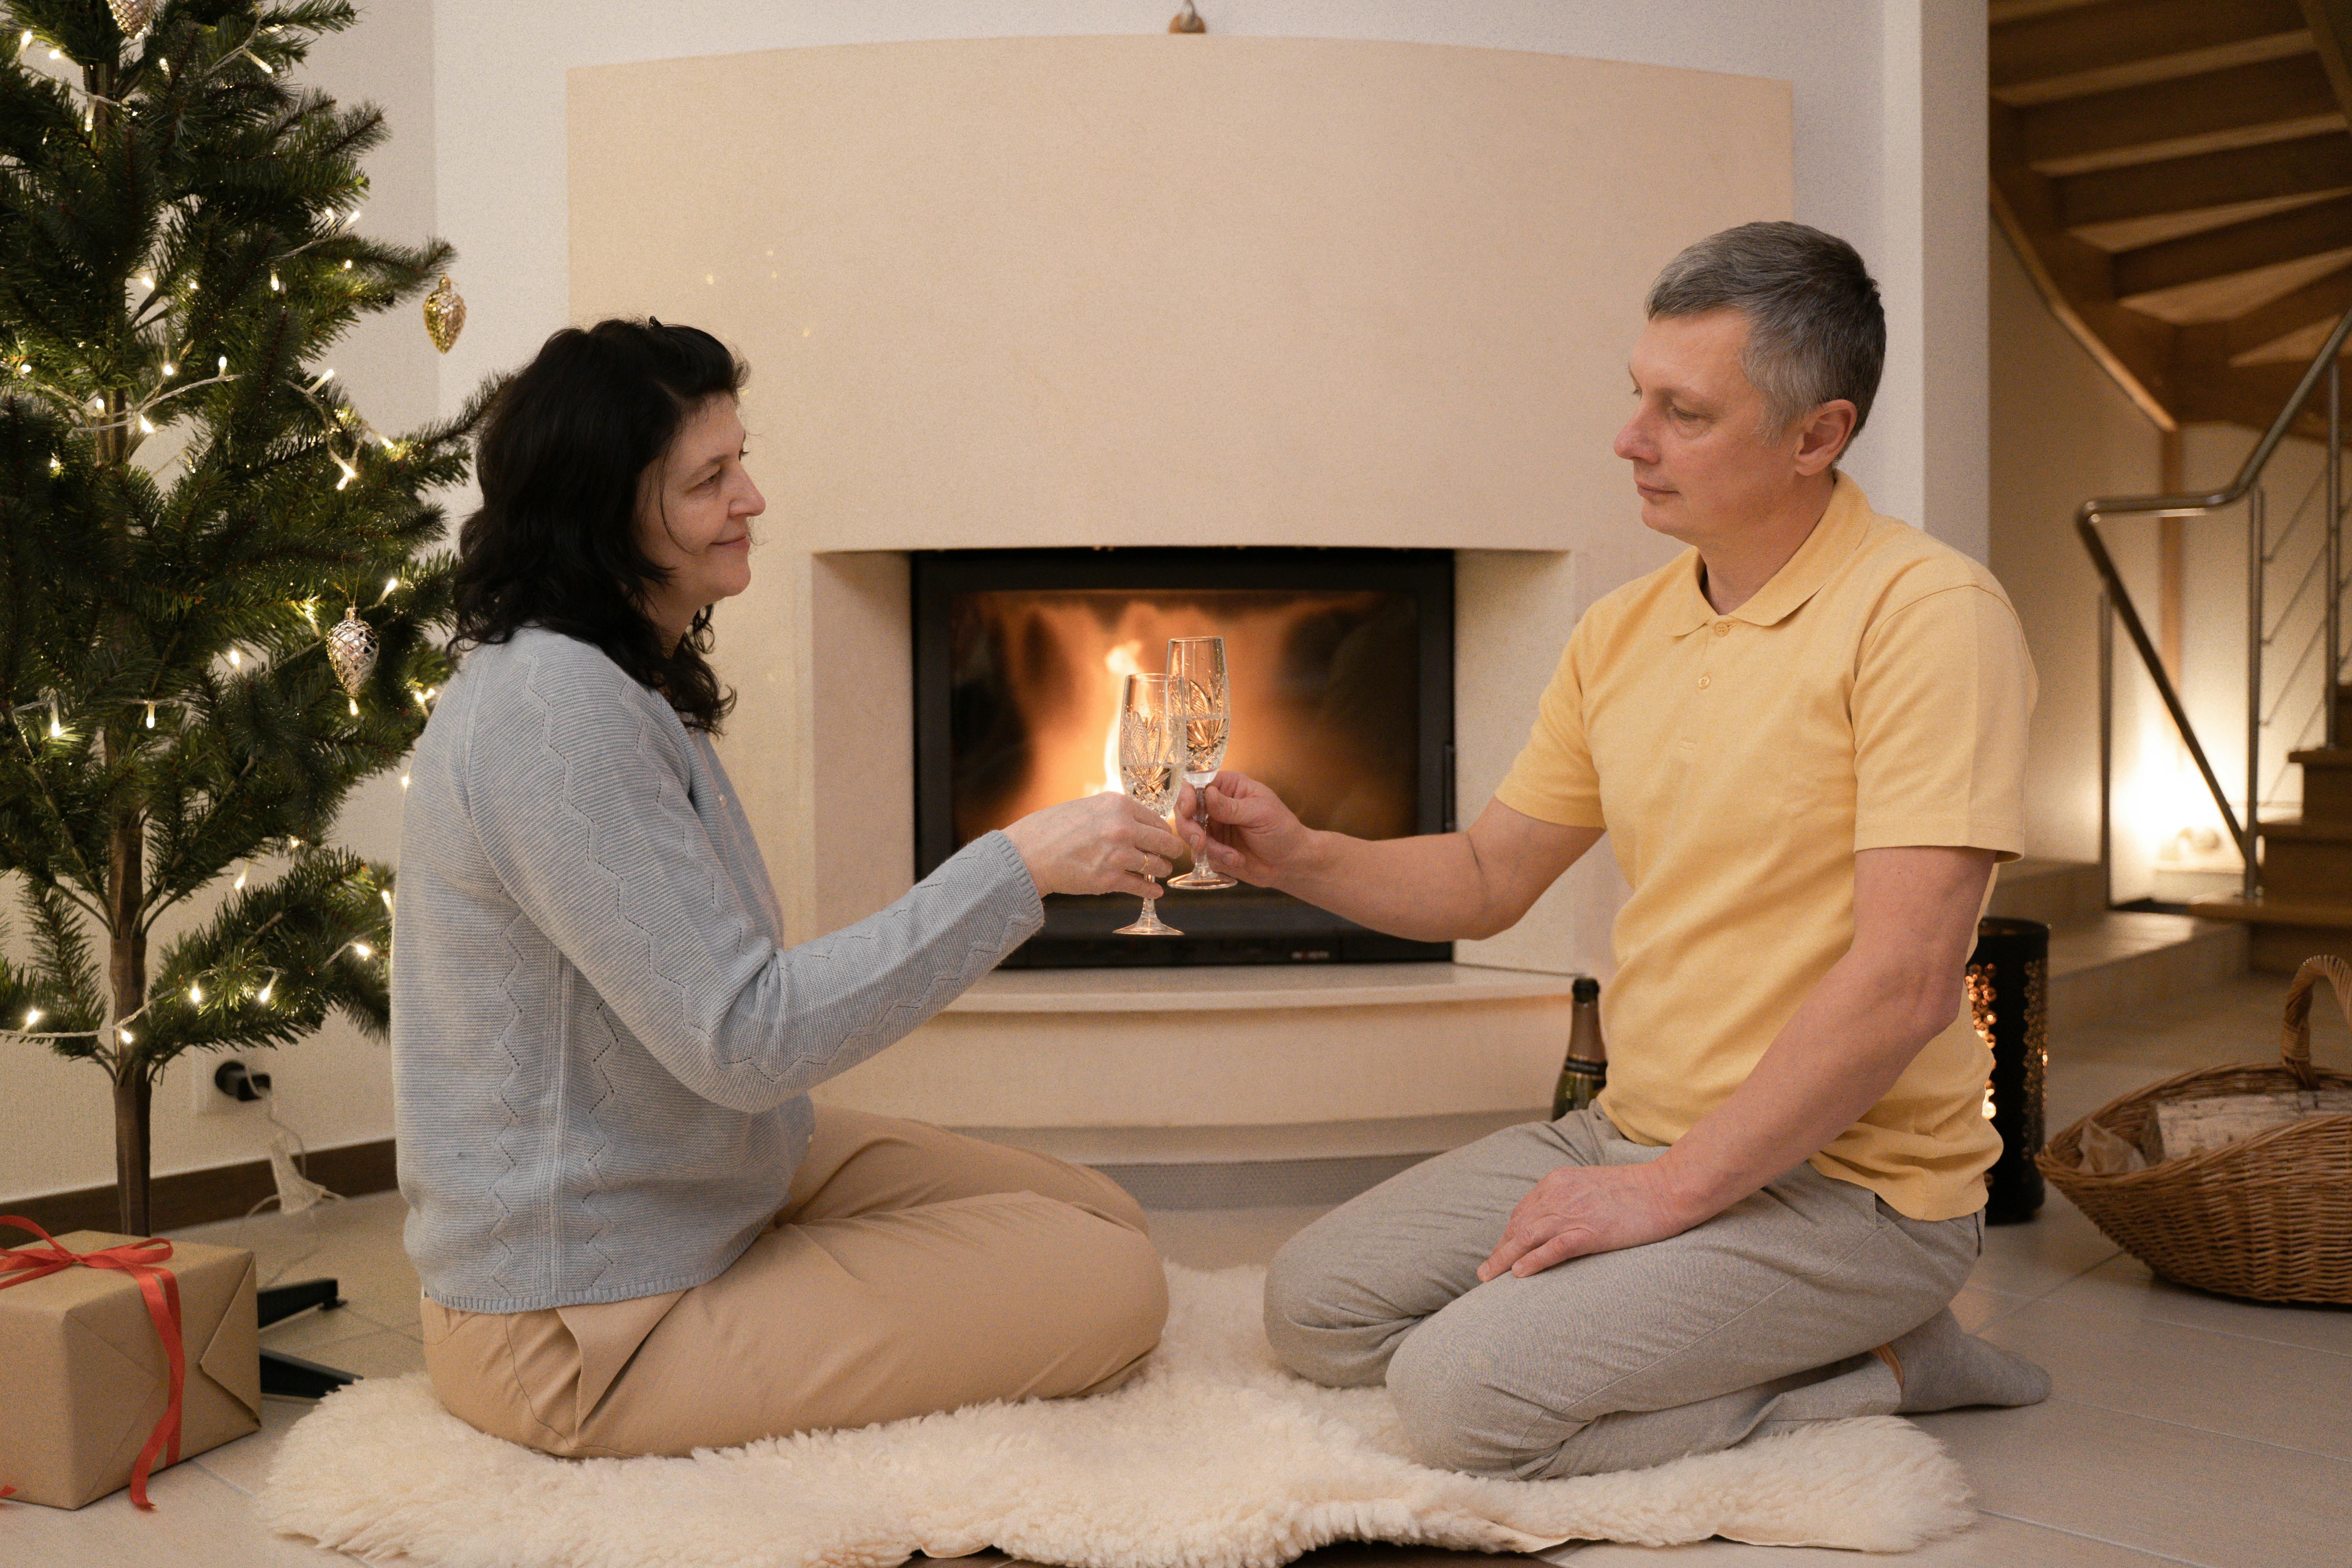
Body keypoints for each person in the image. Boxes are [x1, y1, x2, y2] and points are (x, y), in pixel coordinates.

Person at [1179, 222, 2053, 1480]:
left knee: (1455, 1401)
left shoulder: (1927, 619)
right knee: (1314, 1308)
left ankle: (1901, 1361)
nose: (1630, 440)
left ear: (1819, 436)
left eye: (1682, 412)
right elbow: (1488, 878)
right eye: (1637, 397)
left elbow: (1909, 979)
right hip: (1630, 1130)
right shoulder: (1621, 629)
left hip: (1857, 1190)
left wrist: (1668, 1199)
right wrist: (1298, 854)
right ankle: (1699, 1323)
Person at [392, 319, 1187, 1459]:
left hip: (712, 1173)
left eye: (741, 459)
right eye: (710, 479)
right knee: (1118, 1281)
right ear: (605, 513)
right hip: (581, 1323)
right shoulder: (551, 715)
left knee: (1099, 1215)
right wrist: (1021, 868)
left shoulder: (618, 674)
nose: (753, 496)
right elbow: (747, 1037)